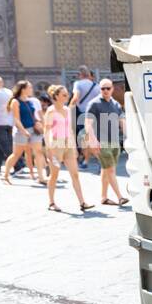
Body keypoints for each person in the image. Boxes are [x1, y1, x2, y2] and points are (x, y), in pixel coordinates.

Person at [43, 85, 93, 213]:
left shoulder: (67, 109)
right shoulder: (51, 111)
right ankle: (51, 202)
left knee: (75, 174)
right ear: (56, 96)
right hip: (56, 144)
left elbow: (70, 129)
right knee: (54, 175)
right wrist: (49, 149)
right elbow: (47, 131)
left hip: (68, 145)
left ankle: (82, 202)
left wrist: (74, 147)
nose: (67, 96)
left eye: (67, 94)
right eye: (64, 95)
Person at [83, 79, 128, 205]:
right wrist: (92, 140)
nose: (106, 91)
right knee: (111, 171)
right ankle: (120, 197)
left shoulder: (116, 104)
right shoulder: (94, 104)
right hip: (101, 143)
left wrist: (129, 137)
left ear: (112, 89)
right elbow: (88, 123)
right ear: (99, 89)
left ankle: (103, 197)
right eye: (103, 88)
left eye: (108, 88)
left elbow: (122, 122)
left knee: (106, 170)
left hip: (115, 143)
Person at [1, 80, 41, 185]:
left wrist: (38, 122)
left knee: (38, 151)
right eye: (30, 87)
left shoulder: (30, 101)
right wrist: (24, 131)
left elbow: (33, 115)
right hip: (21, 131)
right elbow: (16, 119)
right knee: (16, 154)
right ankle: (5, 175)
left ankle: (40, 175)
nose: (32, 89)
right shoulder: (15, 102)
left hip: (33, 129)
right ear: (23, 89)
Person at [68, 66, 98, 169]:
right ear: (89, 75)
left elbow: (75, 97)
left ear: (80, 75)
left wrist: (69, 108)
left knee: (84, 138)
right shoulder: (97, 86)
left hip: (83, 115)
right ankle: (98, 159)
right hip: (95, 115)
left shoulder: (78, 84)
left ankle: (86, 161)